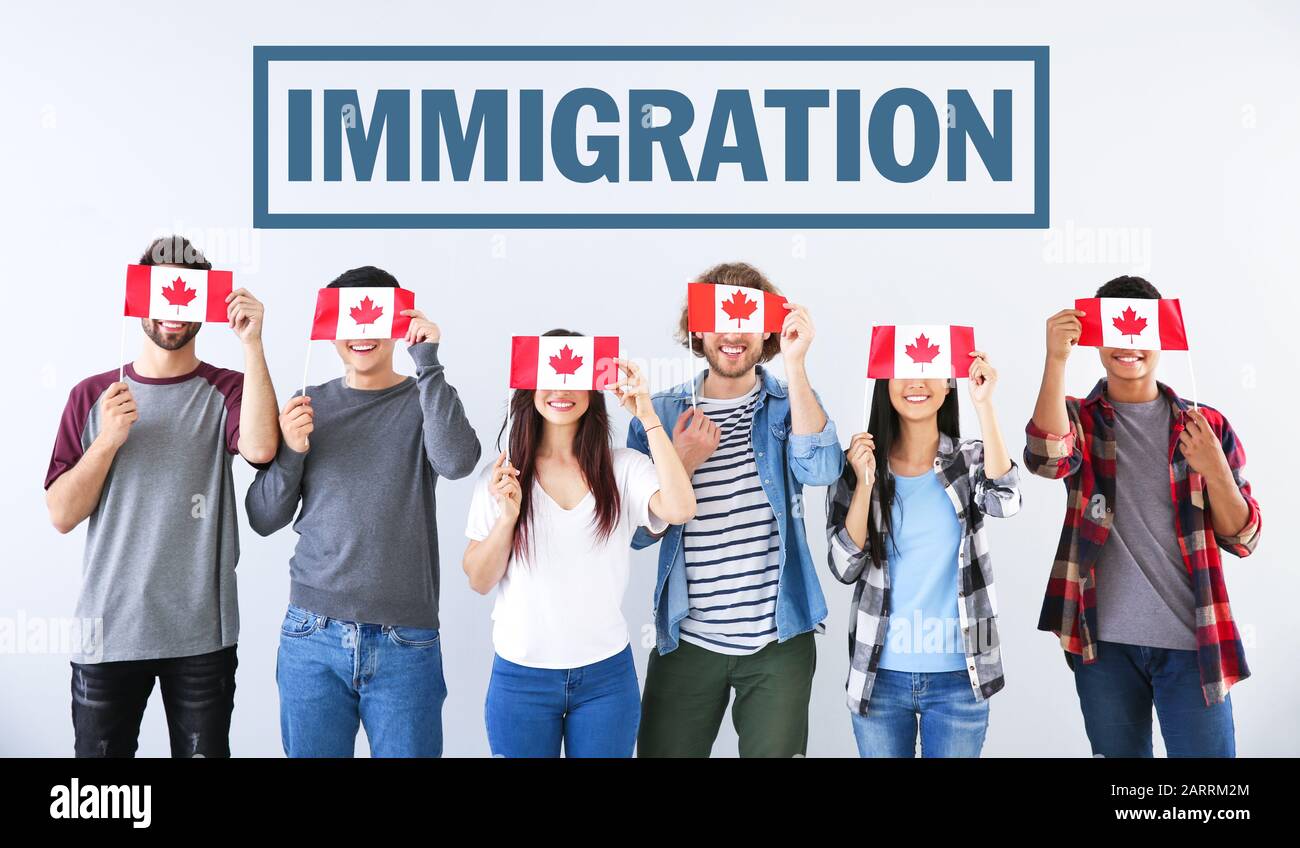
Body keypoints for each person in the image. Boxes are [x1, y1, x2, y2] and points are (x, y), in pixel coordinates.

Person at [44, 235, 278, 757]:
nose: (174, 309)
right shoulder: (91, 396)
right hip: (108, 634)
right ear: (139, 301)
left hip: (201, 638)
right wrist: (107, 441)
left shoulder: (230, 388)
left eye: (189, 294)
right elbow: (61, 514)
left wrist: (253, 342)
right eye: (164, 292)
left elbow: (262, 449)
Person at [245, 265, 480, 758]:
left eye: (375, 319)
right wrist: (290, 450)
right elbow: (264, 517)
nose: (363, 334)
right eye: (350, 321)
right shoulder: (308, 404)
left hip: (405, 641)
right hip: (313, 635)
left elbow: (458, 462)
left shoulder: (425, 397)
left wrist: (429, 362)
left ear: (398, 322)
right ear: (332, 329)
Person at [1024, 275, 1261, 758]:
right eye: (1116, 331)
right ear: (1096, 335)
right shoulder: (1079, 419)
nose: (1128, 345)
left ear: (1161, 337)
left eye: (1140, 332)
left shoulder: (1205, 425)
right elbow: (1047, 457)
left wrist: (1215, 468)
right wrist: (1055, 359)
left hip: (1194, 643)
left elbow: (1244, 537)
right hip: (1103, 644)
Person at [629, 262, 843, 758]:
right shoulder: (657, 413)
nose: (733, 333)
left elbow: (823, 470)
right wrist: (681, 461)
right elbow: (637, 534)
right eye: (720, 317)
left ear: (767, 329)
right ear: (698, 328)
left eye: (747, 319)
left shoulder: (789, 403)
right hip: (687, 638)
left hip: (779, 638)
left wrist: (795, 364)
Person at [462, 331, 695, 758]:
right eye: (550, 377)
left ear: (593, 389)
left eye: (573, 377)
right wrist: (509, 518)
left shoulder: (623, 468)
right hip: (521, 679)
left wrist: (646, 414)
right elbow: (478, 579)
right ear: (529, 389)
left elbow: (680, 508)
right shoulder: (502, 478)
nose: (562, 390)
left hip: (606, 679)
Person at [825, 353, 1020, 757]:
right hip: (879, 676)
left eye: (929, 371)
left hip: (959, 678)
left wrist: (984, 405)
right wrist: (865, 484)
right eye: (903, 372)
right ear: (884, 383)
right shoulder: (858, 465)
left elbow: (1006, 500)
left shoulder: (967, 460)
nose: (917, 382)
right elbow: (844, 567)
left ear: (948, 384)